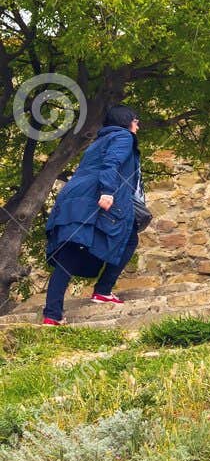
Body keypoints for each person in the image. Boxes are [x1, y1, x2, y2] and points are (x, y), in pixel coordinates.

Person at [40, 105, 146, 325]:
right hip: (94, 196)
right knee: (129, 238)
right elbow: (112, 164)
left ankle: (52, 315)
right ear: (126, 121)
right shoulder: (123, 137)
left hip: (73, 199)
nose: (137, 124)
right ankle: (103, 290)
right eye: (135, 120)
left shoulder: (98, 142)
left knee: (69, 251)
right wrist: (107, 191)